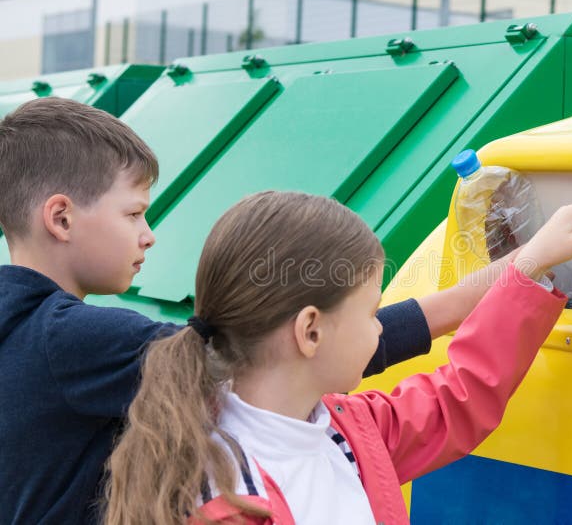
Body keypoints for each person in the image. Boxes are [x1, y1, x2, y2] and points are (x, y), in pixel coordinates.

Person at [0, 98, 518, 524]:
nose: (148, 235)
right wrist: (474, 294)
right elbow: (271, 355)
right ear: (61, 218)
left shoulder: (20, 324)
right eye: (133, 213)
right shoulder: (74, 340)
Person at [104, 191, 572, 524]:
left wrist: (530, 266)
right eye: (372, 312)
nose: (379, 329)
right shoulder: (228, 501)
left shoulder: (343, 430)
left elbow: (457, 398)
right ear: (310, 331)